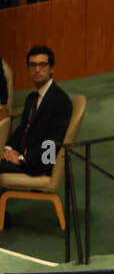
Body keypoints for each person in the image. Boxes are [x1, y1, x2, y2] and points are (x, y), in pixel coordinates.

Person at [0, 45, 71, 176]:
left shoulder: (60, 101)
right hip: (23, 157)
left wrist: (22, 159)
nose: (37, 70)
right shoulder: (32, 98)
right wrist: (7, 150)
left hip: (38, 166)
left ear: (52, 69)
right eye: (32, 65)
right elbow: (21, 130)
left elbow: (53, 142)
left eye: (42, 65)